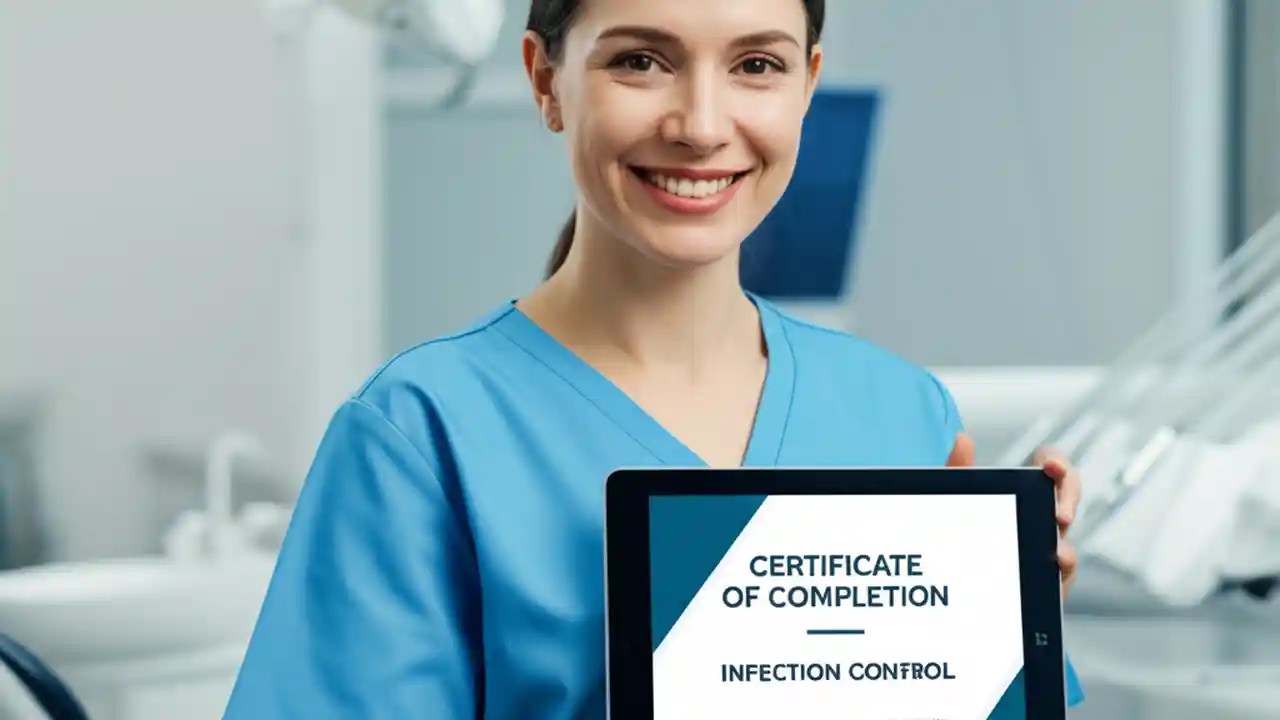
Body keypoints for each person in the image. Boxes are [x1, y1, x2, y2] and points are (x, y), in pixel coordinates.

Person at [223, 0, 1086, 716]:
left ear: (808, 87)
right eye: (641, 61)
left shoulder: (904, 413)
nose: (702, 127)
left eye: (757, 66)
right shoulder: (420, 432)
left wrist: (1001, 644)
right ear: (544, 79)